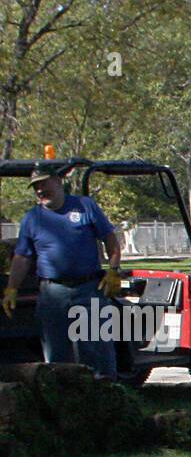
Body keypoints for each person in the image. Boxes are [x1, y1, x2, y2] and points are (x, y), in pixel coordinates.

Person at [1, 162, 122, 379]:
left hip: (88, 289)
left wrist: (113, 270)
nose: (40, 190)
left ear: (58, 181)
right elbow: (23, 257)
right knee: (56, 357)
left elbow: (111, 241)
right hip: (52, 293)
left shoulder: (85, 207)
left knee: (96, 351)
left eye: (43, 184)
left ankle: (103, 400)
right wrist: (12, 288)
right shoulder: (32, 219)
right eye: (35, 187)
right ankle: (63, 405)